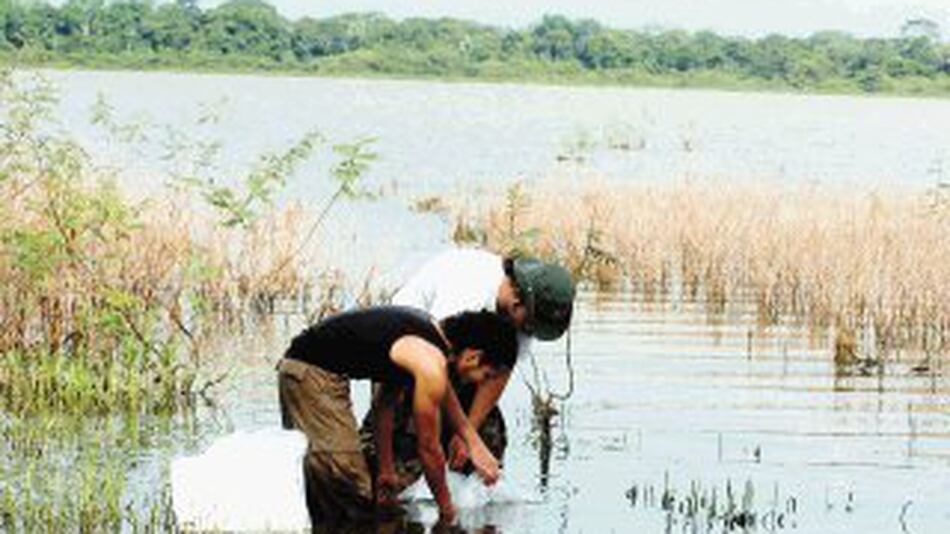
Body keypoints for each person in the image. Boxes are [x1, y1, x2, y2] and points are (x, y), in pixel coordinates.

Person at [277, 305, 518, 526]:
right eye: (486, 375)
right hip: (311, 374)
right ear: (473, 356)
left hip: (315, 372)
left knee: (339, 489)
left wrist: (386, 468)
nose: (481, 383)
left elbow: (385, 403)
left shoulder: (426, 337)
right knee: (348, 486)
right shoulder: (430, 364)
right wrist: (447, 512)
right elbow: (429, 449)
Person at [361, 248, 575, 488]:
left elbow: (500, 370)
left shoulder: (524, 317)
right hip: (410, 358)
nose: (528, 333)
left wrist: (468, 435)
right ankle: (392, 499)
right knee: (410, 446)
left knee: (487, 441)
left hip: (463, 367)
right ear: (517, 302)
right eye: (528, 325)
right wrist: (466, 436)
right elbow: (435, 368)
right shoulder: (467, 289)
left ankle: (470, 513)